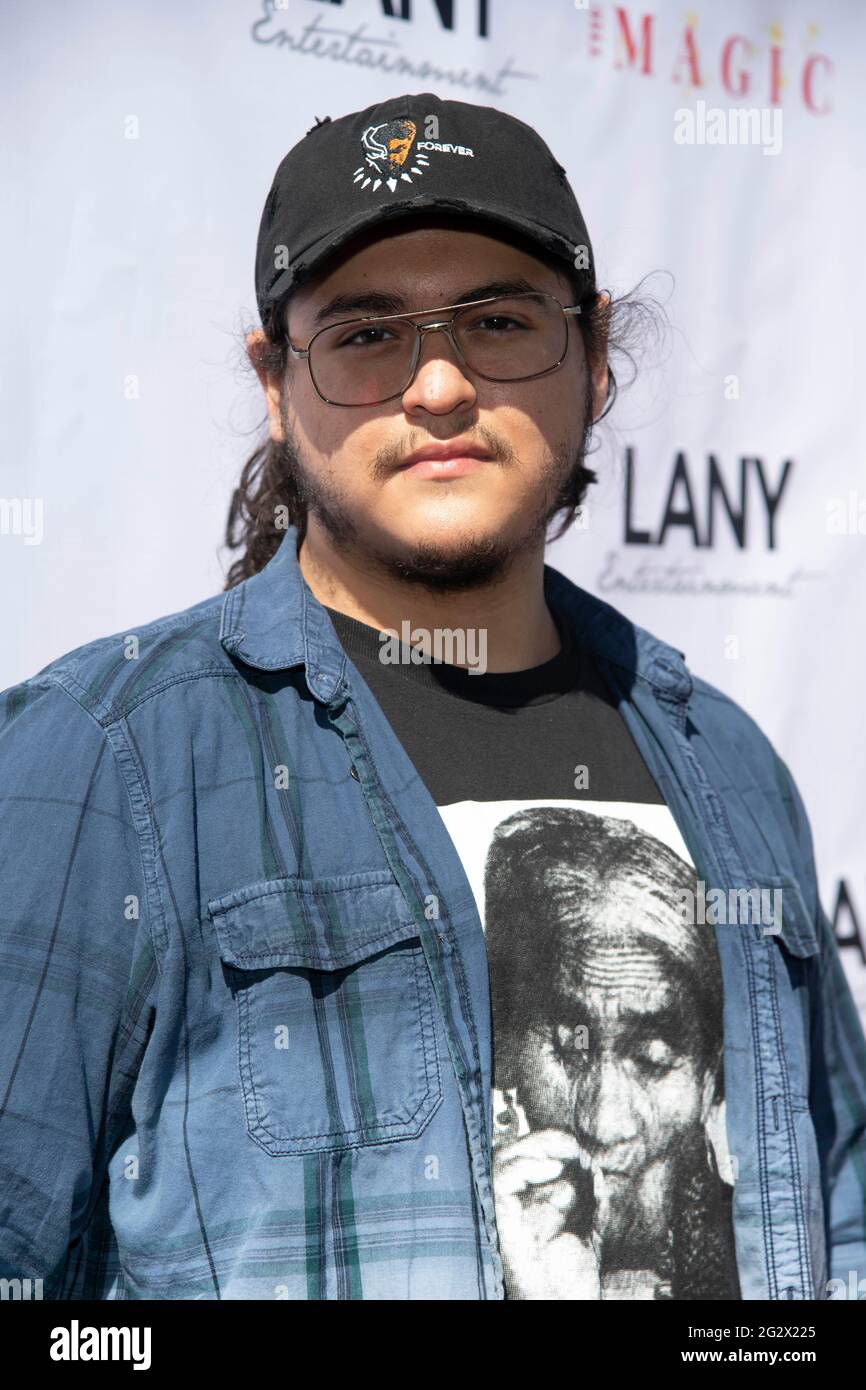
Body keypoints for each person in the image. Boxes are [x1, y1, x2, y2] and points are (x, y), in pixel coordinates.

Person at [1, 92, 864, 1301]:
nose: (442, 386)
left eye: (499, 321)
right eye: (366, 334)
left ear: (594, 352)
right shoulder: (102, 759)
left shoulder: (723, 760)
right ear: (273, 380)